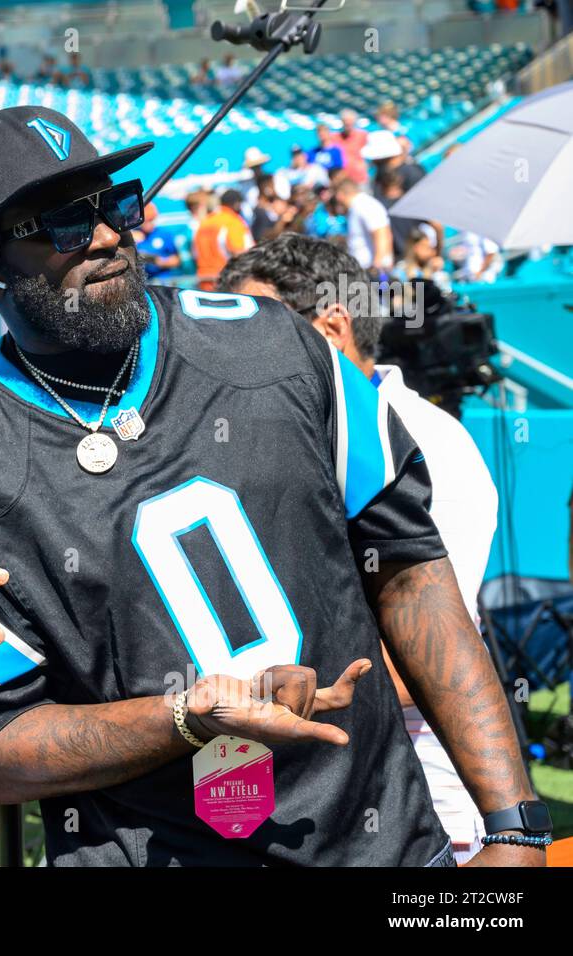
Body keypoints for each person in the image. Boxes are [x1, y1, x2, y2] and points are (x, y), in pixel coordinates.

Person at [0, 104, 546, 866]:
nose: (112, 236)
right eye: (63, 224)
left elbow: (412, 572)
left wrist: (514, 828)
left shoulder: (275, 344)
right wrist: (183, 719)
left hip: (385, 848)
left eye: (113, 205)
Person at [218, 234, 500, 861]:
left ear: (333, 325)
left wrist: (247, 700)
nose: (230, 360)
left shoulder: (423, 440)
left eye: (254, 331)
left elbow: (422, 651)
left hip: (413, 796)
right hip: (299, 789)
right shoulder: (280, 433)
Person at [192, 188, 252, 287]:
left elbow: (195, 253)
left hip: (204, 282)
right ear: (237, 204)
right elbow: (239, 252)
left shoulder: (205, 222)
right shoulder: (233, 221)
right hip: (225, 282)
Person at [332, 178, 392, 270]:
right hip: (363, 268)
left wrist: (377, 263)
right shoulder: (355, 207)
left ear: (339, 195)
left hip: (371, 269)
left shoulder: (364, 205)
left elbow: (381, 233)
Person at [134, 202, 182, 279]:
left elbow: (177, 260)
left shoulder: (164, 234)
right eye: (146, 221)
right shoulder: (134, 235)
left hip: (163, 280)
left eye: (151, 220)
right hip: (143, 281)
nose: (149, 224)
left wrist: (159, 261)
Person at [336, 108, 370, 185]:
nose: (348, 123)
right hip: (343, 178)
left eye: (350, 121)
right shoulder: (335, 137)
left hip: (360, 177)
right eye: (345, 121)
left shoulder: (363, 135)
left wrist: (365, 165)